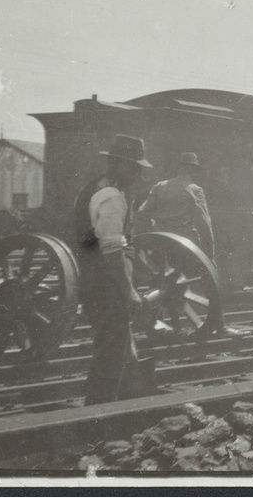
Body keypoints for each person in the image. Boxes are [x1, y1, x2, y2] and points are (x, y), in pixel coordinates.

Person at [72, 134, 151, 405]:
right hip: (107, 286)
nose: (139, 173)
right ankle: (99, 411)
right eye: (135, 167)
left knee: (118, 342)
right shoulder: (113, 198)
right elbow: (113, 251)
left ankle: (129, 399)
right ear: (120, 164)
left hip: (93, 281)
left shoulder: (94, 188)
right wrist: (128, 291)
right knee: (111, 350)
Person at [136, 152, 239, 338]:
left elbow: (142, 214)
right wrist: (209, 253)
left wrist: (153, 233)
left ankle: (157, 324)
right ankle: (220, 326)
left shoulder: (159, 187)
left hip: (161, 246)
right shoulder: (194, 189)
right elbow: (203, 223)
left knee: (160, 278)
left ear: (179, 168)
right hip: (184, 246)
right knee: (211, 278)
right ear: (192, 170)